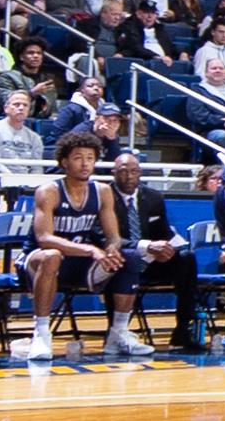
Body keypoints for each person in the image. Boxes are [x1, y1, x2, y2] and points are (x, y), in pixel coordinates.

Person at [22, 131, 154, 363]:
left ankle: (118, 333)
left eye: (90, 158)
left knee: (129, 257)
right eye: (78, 158)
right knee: (52, 255)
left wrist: (112, 249)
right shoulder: (49, 191)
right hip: (38, 261)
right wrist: (91, 250)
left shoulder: (102, 191)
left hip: (79, 262)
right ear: (64, 161)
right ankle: (41, 334)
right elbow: (44, 238)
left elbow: (113, 236)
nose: (85, 164)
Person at [110, 152, 204, 353]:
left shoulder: (153, 197)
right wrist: (144, 246)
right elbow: (105, 237)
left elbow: (164, 232)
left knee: (187, 259)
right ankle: (117, 333)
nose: (129, 177)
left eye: (134, 171)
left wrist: (171, 247)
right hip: (121, 260)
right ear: (114, 173)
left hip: (152, 261)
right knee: (123, 260)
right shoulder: (105, 197)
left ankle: (184, 329)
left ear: (140, 173)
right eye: (123, 172)